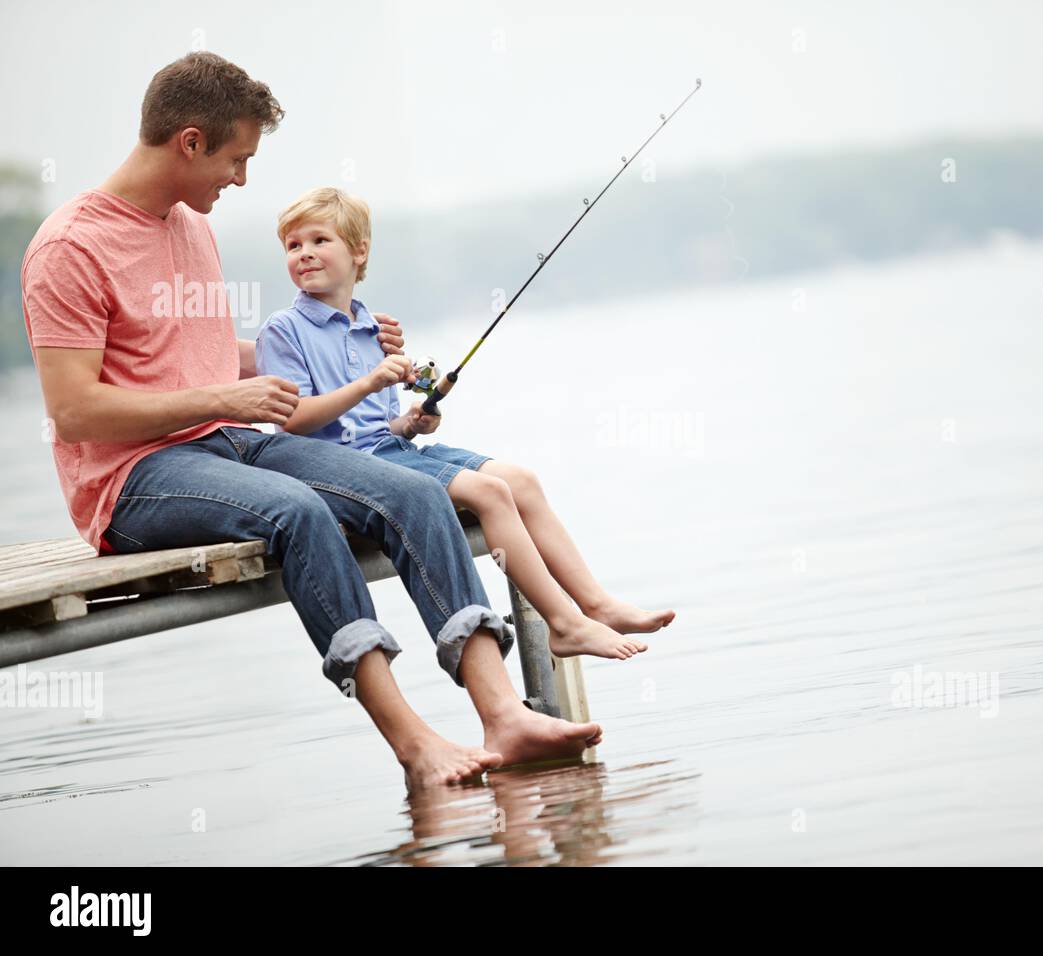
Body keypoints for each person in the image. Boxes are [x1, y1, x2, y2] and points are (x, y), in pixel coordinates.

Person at [20, 51, 603, 790]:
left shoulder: (189, 225)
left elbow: (197, 354)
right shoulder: (69, 248)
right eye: (237, 159)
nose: (241, 180)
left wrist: (340, 342)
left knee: (412, 492)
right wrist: (221, 400)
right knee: (297, 513)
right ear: (190, 142)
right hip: (130, 478)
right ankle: (414, 744)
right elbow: (74, 410)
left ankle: (504, 716)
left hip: (223, 442)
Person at [255, 186, 676, 663]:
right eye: (293, 246)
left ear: (358, 250)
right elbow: (289, 422)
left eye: (318, 240)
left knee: (521, 481)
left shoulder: (375, 329)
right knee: (491, 494)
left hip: (389, 453)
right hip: (339, 470)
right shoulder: (283, 331)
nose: (304, 253)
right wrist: (367, 384)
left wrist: (411, 423)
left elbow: (376, 427)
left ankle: (596, 603)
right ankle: (565, 624)